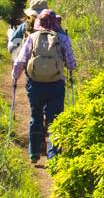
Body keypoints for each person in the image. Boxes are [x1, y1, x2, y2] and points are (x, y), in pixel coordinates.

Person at [11, 9, 76, 164]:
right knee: (55, 119)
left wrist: (15, 77)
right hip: (56, 85)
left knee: (36, 116)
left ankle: (34, 152)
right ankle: (54, 155)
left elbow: (21, 60)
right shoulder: (63, 38)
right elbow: (71, 63)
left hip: (35, 84)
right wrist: (70, 70)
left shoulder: (32, 37)